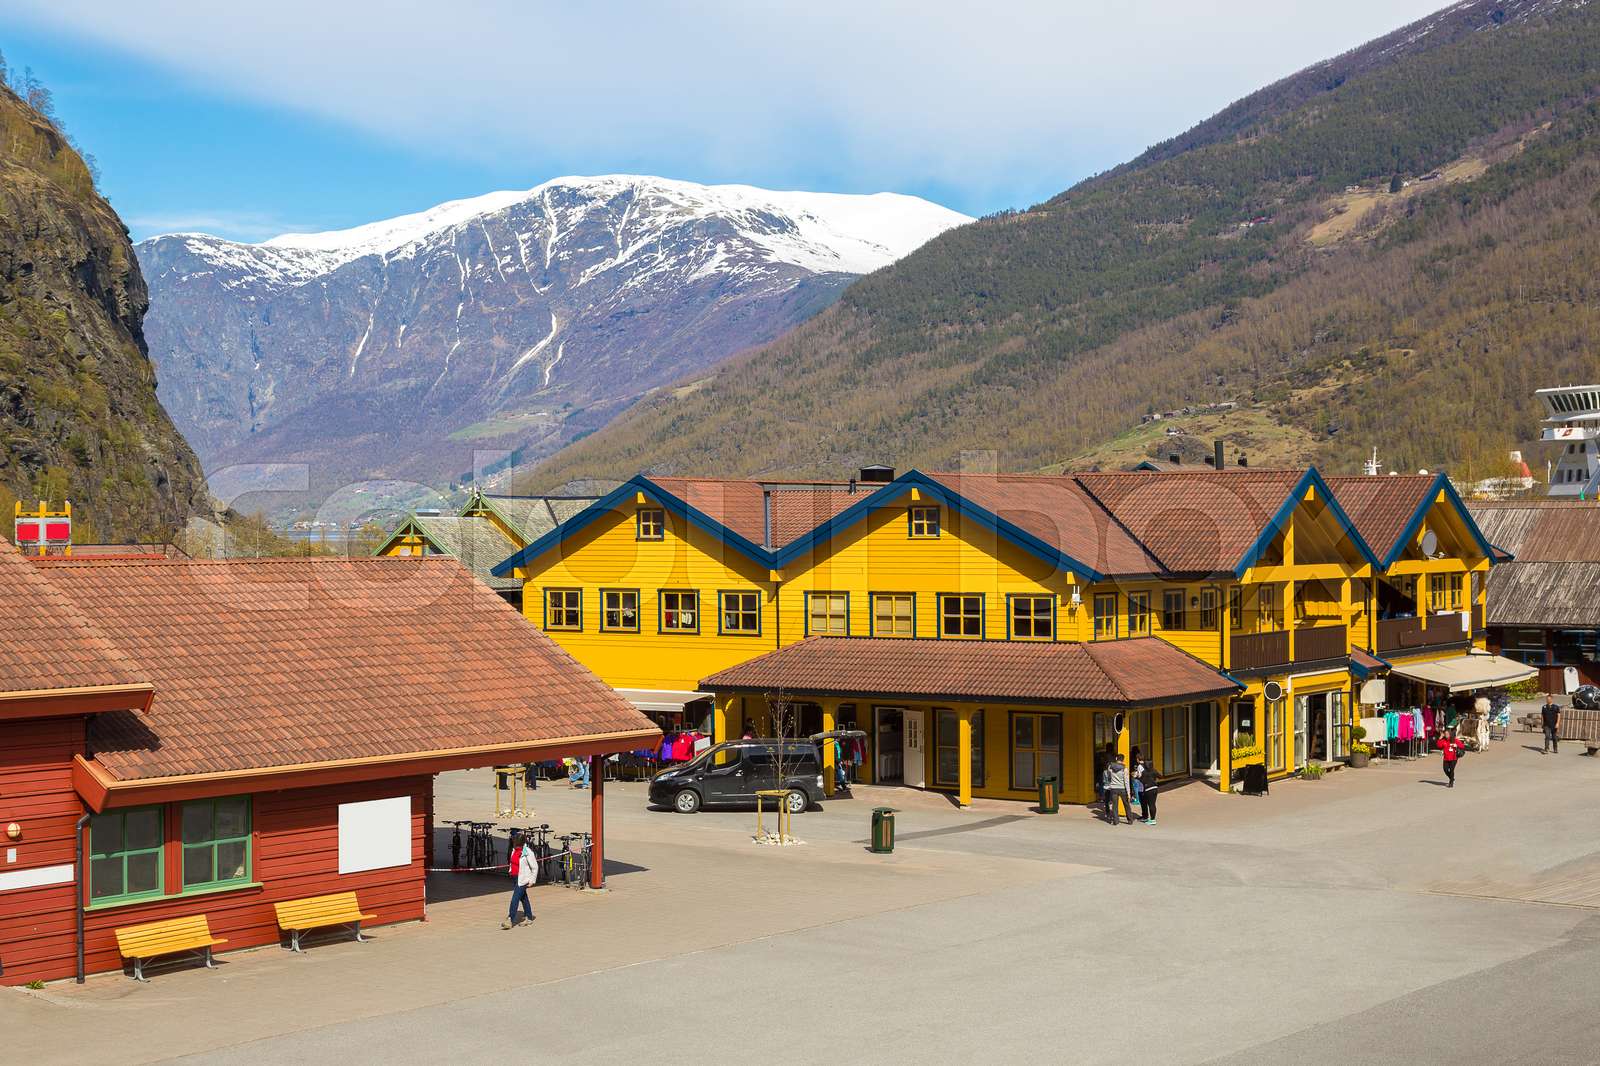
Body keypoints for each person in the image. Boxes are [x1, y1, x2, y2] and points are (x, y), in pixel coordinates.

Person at [502, 832, 537, 929]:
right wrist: (510, 871)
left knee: (515, 899)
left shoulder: (527, 852)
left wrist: (532, 880)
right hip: (515, 877)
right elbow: (512, 863)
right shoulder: (514, 850)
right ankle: (529, 917)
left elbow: (535, 867)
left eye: (515, 840)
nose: (513, 842)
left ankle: (510, 919)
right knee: (523, 898)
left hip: (523, 879)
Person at [1103, 753, 1134, 825]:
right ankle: (1130, 820)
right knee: (1126, 805)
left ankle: (1116, 821)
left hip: (1113, 788)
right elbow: (1126, 782)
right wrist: (1129, 793)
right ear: (1123, 760)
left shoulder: (1110, 767)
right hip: (1122, 789)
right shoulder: (1125, 769)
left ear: (1116, 759)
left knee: (1115, 805)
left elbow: (1109, 777)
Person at [1138, 757, 1159, 826]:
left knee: (1150, 805)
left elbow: (1141, 780)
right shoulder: (1154, 770)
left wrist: (1136, 777)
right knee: (1153, 804)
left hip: (1148, 789)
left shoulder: (1144, 772)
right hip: (1155, 788)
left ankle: (1152, 820)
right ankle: (1153, 819)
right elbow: (1160, 776)